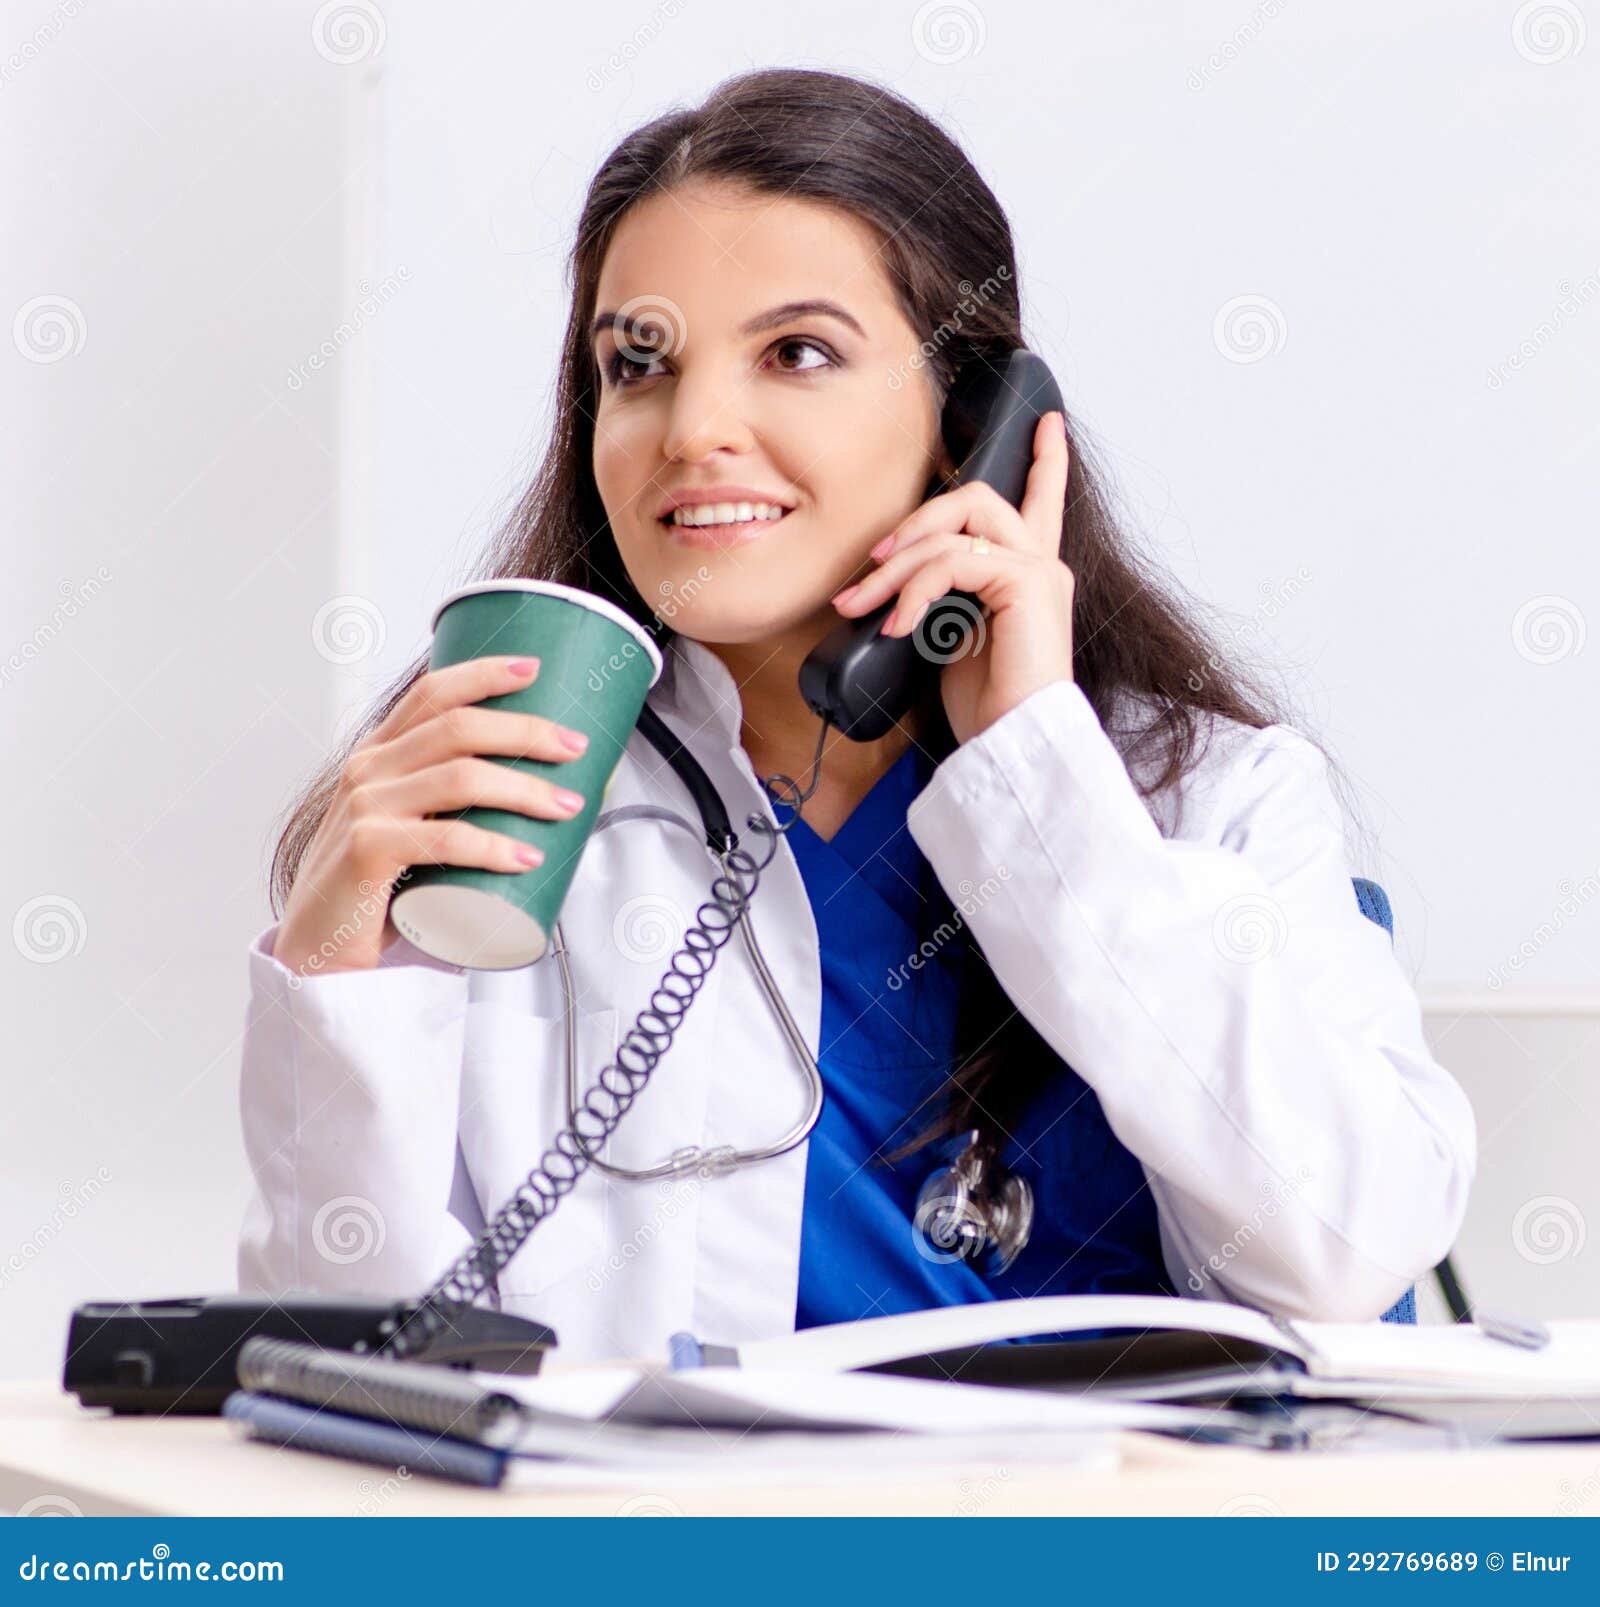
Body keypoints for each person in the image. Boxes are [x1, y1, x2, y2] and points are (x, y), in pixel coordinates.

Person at [238, 68, 1475, 1361]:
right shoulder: (505, 818)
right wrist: (340, 989)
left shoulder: (1212, 796)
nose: (694, 429)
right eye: (638, 364)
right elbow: (353, 1372)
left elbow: (1349, 1253)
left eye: (798, 354)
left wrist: (1042, 778)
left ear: (973, 424)